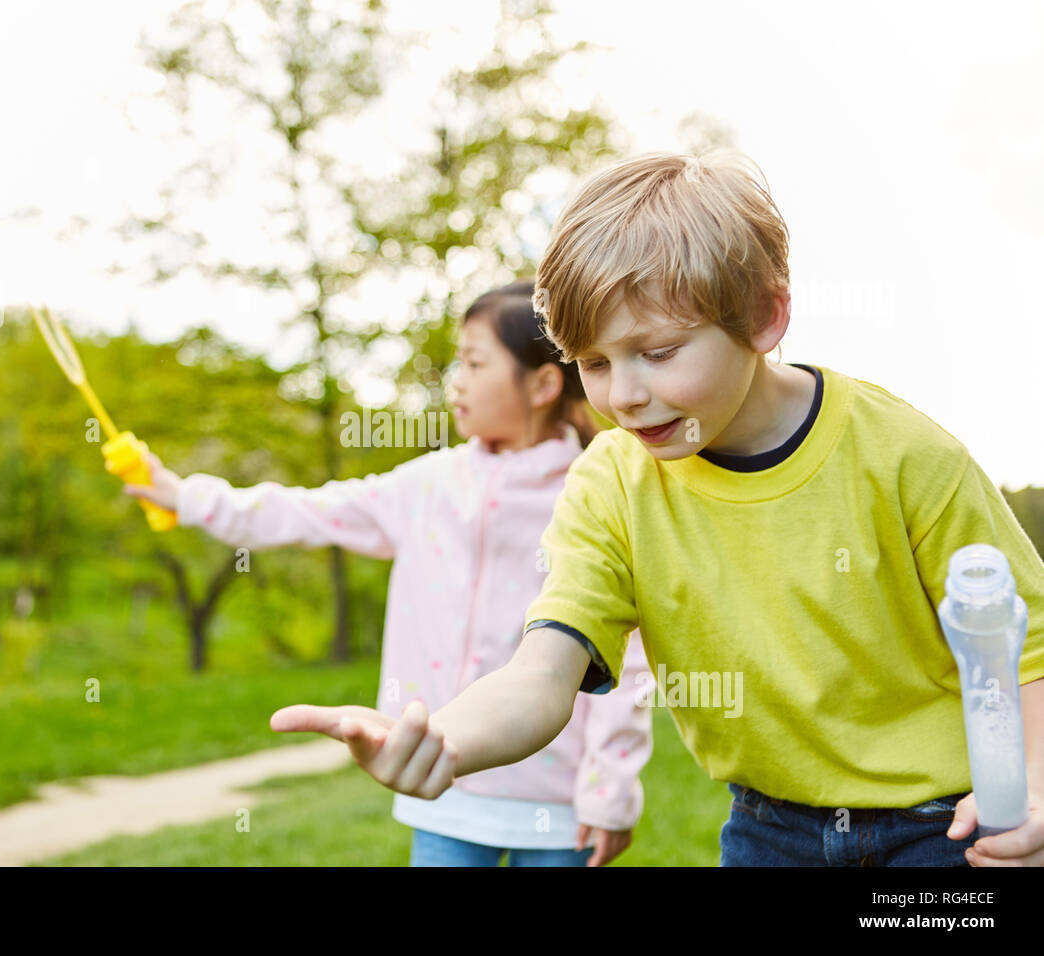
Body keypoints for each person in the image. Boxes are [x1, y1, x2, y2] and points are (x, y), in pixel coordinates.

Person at [270, 150, 1044, 867]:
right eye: (596, 364)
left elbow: (1032, 646)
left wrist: (1036, 787)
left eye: (659, 352)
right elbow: (542, 675)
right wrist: (444, 737)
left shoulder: (905, 455)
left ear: (765, 318)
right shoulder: (610, 483)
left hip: (948, 824)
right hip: (769, 826)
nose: (626, 394)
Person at [126, 280, 653, 867]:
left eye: (475, 363)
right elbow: (303, 511)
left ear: (543, 383)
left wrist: (609, 795)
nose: (456, 379)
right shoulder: (425, 486)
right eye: (456, 361)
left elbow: (623, 661)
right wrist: (185, 496)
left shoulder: (593, 493)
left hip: (557, 808)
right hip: (439, 777)